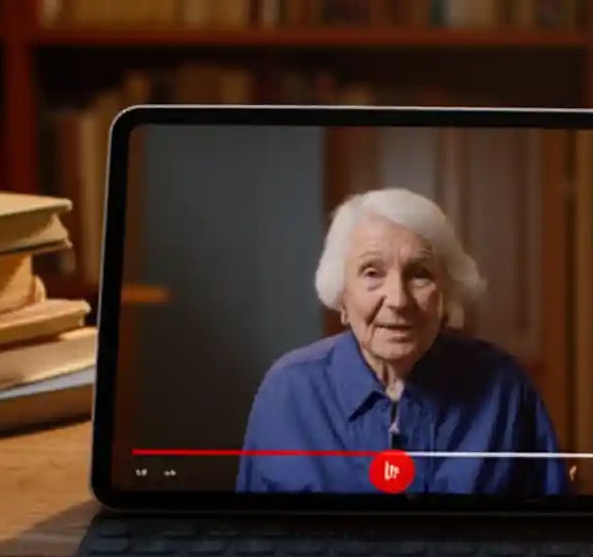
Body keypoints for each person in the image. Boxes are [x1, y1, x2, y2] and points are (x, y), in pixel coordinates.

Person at [235, 187, 570, 495]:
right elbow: (250, 542)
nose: (398, 299)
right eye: (372, 272)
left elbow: (551, 538)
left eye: (419, 273)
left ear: (446, 293)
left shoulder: (504, 388)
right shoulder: (289, 391)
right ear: (342, 295)